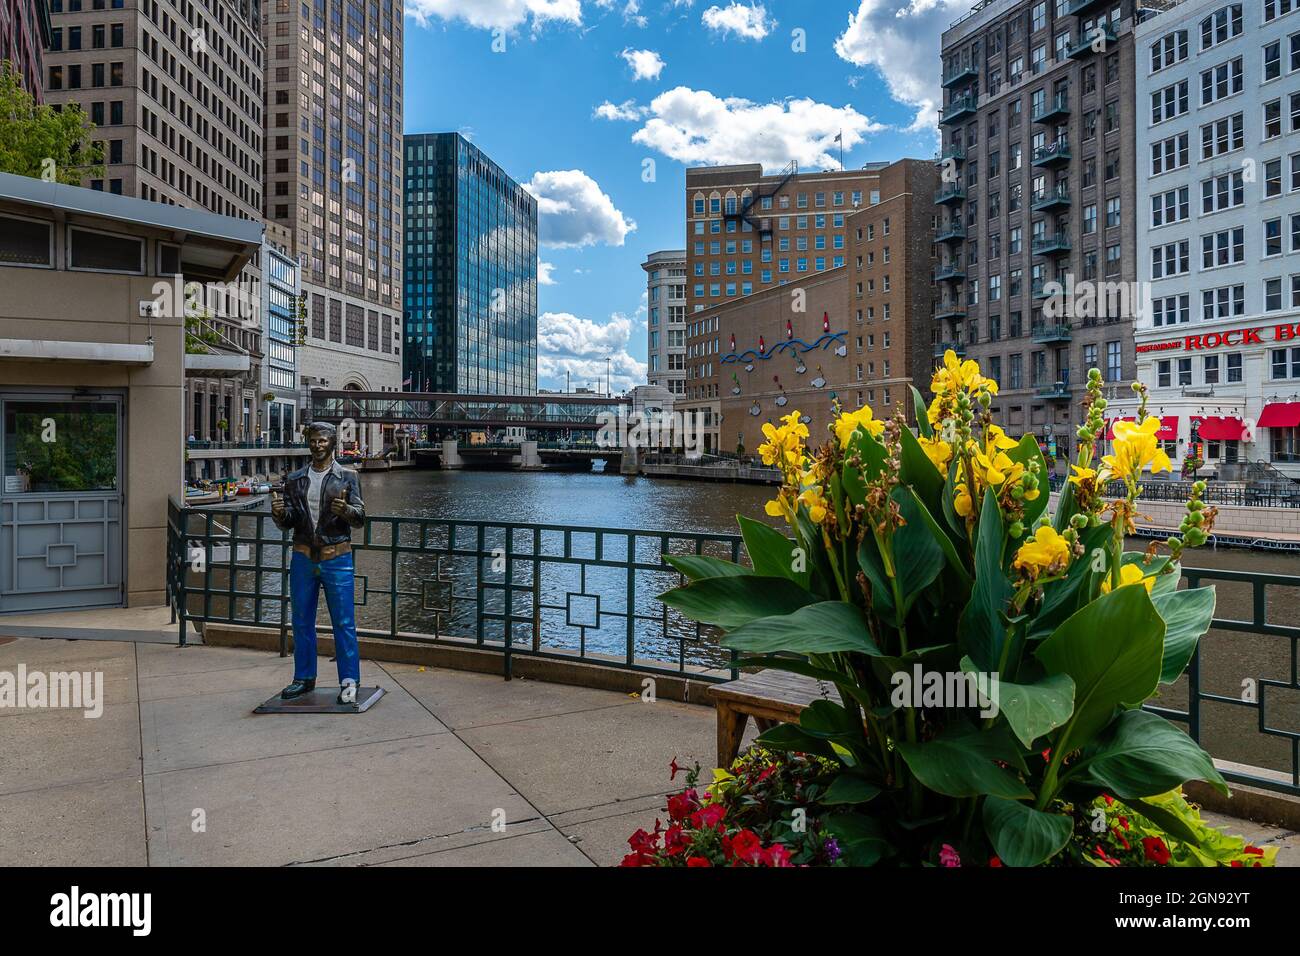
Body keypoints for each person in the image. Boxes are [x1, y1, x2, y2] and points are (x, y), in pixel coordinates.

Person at [270, 422, 366, 704]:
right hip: (302, 557)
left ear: (333, 443)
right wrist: (279, 515)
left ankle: (349, 679)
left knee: (344, 622)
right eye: (313, 440)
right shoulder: (295, 479)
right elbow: (289, 522)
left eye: (323, 440)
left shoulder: (347, 476)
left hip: (337, 558)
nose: (317, 445)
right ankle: (304, 677)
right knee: (301, 621)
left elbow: (360, 518)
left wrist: (346, 510)